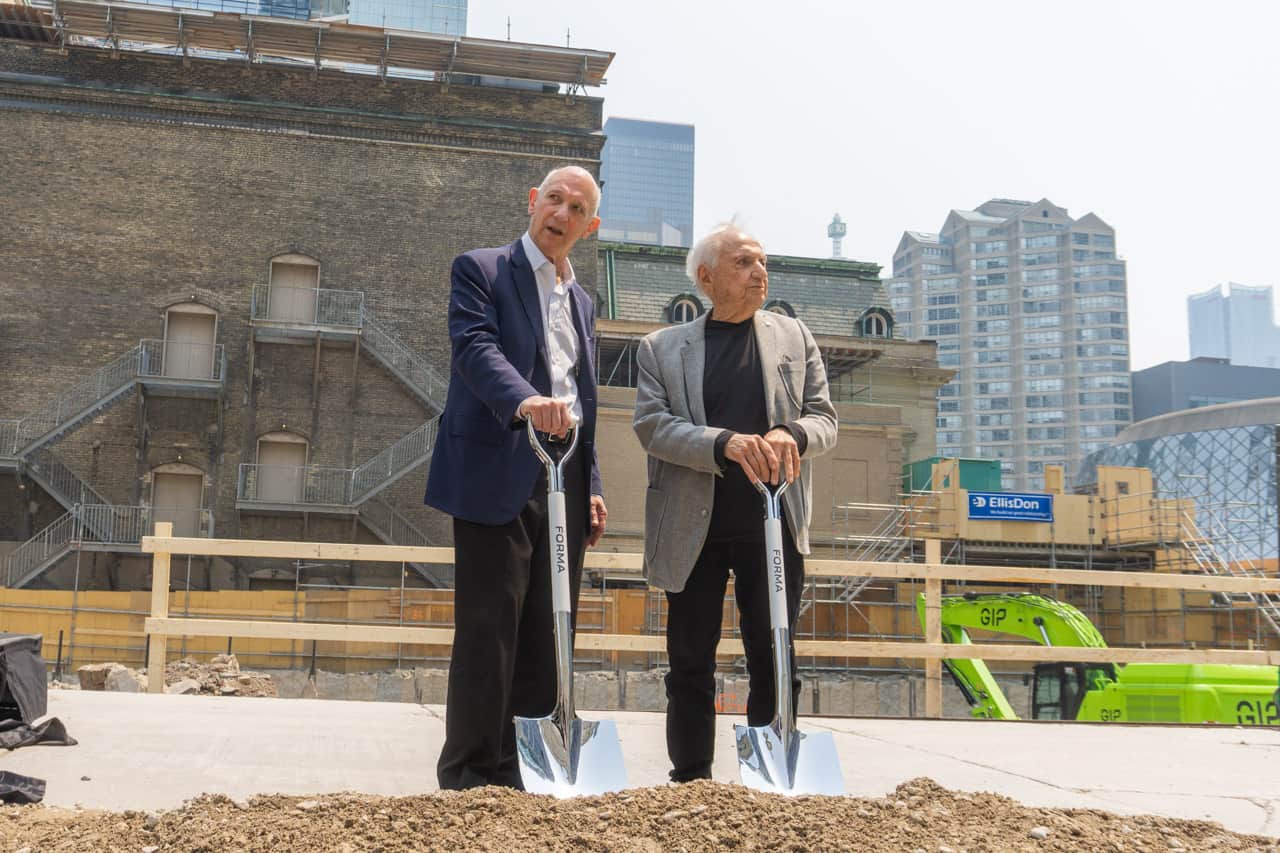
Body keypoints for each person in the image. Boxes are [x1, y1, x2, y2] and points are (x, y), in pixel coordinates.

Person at [632, 222, 837, 782]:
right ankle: (690, 777)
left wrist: (790, 434)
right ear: (707, 277)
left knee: (774, 654)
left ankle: (771, 774)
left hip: (772, 523)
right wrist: (723, 442)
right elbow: (651, 426)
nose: (759, 272)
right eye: (743, 262)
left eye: (762, 261)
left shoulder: (796, 337)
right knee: (689, 662)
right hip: (691, 528)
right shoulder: (661, 348)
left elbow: (825, 420)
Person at [425, 165, 608, 790]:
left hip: (564, 479)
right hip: (495, 464)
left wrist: (596, 483)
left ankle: (527, 772)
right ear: (533, 202)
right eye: (554, 199)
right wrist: (526, 401)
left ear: (590, 225)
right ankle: (473, 774)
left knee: (549, 625)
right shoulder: (482, 269)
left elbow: (583, 395)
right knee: (488, 627)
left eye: (576, 207)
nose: (561, 212)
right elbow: (475, 346)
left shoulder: (582, 300)